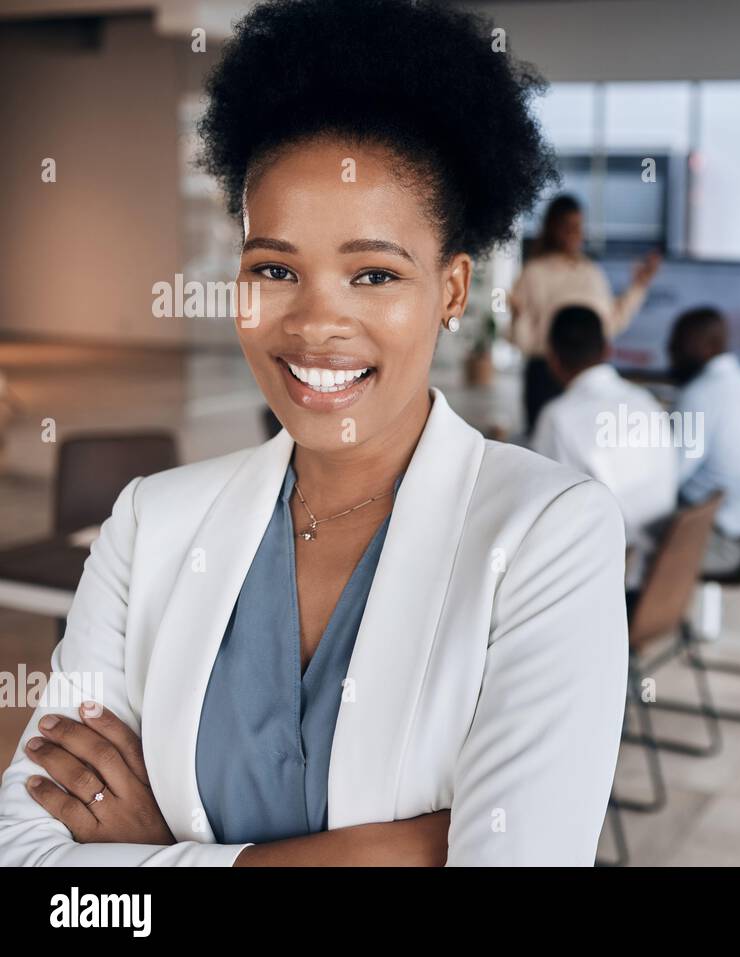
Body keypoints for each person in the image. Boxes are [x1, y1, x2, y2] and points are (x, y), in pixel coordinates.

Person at [0, 0, 627, 867]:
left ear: (451, 290)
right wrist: (389, 853)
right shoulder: (153, 520)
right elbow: (31, 859)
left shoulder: (548, 532)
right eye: (274, 268)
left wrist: (162, 849)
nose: (316, 322)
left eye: (374, 272)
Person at [532, 305, 676, 584]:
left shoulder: (558, 416)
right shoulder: (645, 401)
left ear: (552, 358)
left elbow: (540, 507)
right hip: (658, 572)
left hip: (608, 578)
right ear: (608, 349)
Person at [509, 195, 661, 434]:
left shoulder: (592, 272)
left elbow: (611, 323)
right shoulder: (534, 273)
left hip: (590, 374)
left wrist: (639, 285)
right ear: (552, 229)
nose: (573, 233)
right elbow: (523, 341)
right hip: (547, 375)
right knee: (544, 454)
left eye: (578, 227)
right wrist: (519, 318)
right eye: (566, 227)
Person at [669, 307, 740, 577]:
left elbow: (670, 475)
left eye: (678, 345)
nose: (670, 352)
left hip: (727, 544)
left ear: (708, 347)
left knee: (623, 552)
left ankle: (657, 618)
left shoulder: (700, 393)